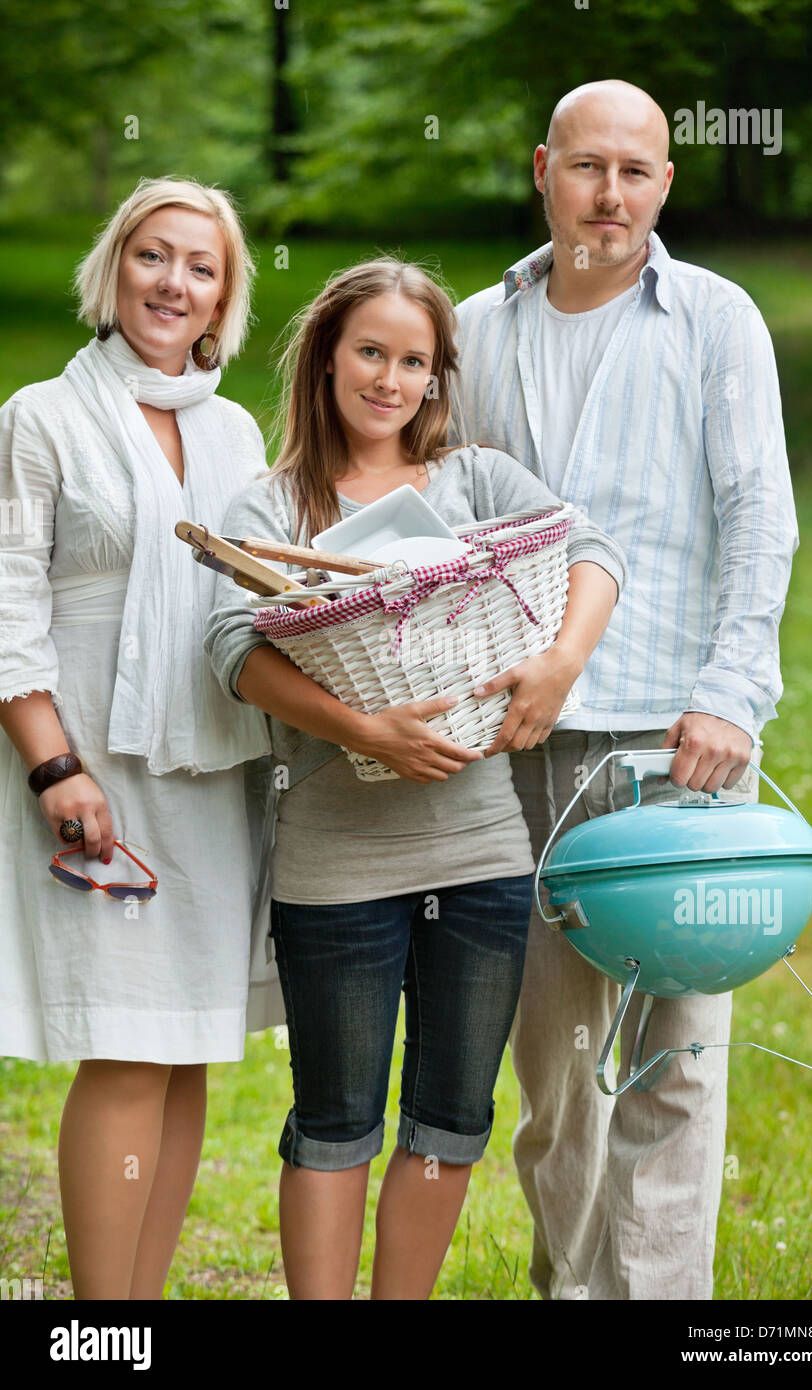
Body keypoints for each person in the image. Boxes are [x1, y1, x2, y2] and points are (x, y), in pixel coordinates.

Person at [204, 257, 628, 1300]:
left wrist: (558, 660)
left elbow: (593, 547)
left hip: (480, 854)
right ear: (326, 356)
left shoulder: (476, 481)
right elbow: (227, 647)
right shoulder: (269, 504)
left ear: (438, 377)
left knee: (448, 1114)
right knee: (334, 1119)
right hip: (334, 863)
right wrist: (363, 727)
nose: (390, 379)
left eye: (415, 362)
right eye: (369, 352)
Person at [450, 79, 799, 1300]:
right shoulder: (471, 329)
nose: (609, 196)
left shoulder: (713, 318)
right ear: (541, 166)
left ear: (664, 184)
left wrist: (728, 696)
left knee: (673, 1061)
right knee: (551, 1078)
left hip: (674, 739)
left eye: (635, 173)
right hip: (515, 741)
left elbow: (759, 516)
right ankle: (570, 1288)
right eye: (587, 167)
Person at [0, 176, 283, 1300]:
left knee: (185, 1045)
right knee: (124, 1045)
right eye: (153, 256)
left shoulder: (235, 431)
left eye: (200, 267)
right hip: (91, 765)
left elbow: (260, 599)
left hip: (217, 769)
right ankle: (98, 1326)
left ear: (224, 298)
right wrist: (51, 762)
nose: (174, 282)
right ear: (114, 270)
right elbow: (7, 601)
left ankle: (140, 1319)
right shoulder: (40, 415)